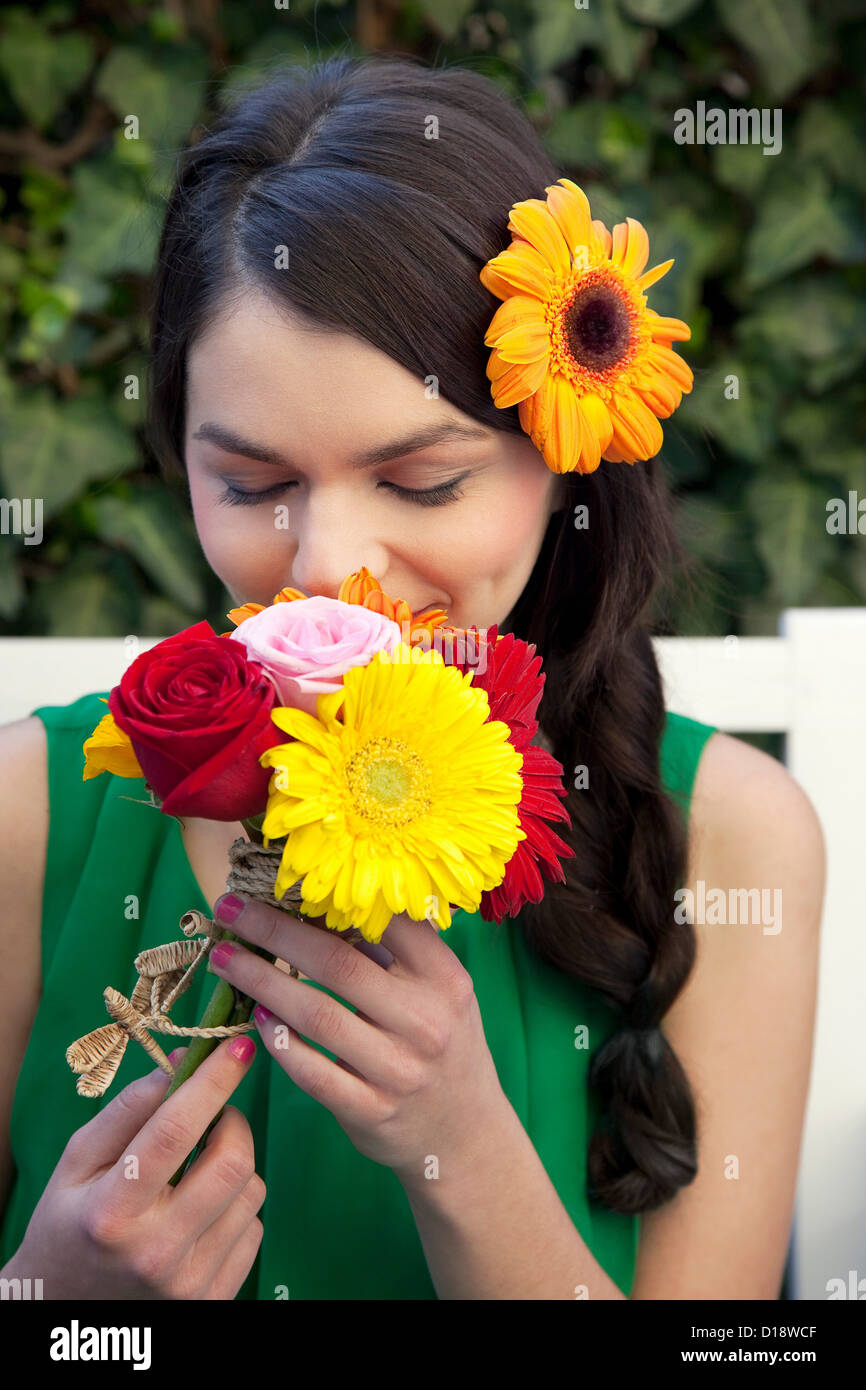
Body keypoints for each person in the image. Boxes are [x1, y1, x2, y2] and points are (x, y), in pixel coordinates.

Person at [0, 54, 824, 1300]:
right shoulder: (33, 812)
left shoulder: (730, 840)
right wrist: (57, 1303)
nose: (328, 570)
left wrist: (466, 1154)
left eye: (422, 482)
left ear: (565, 460)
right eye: (254, 485)